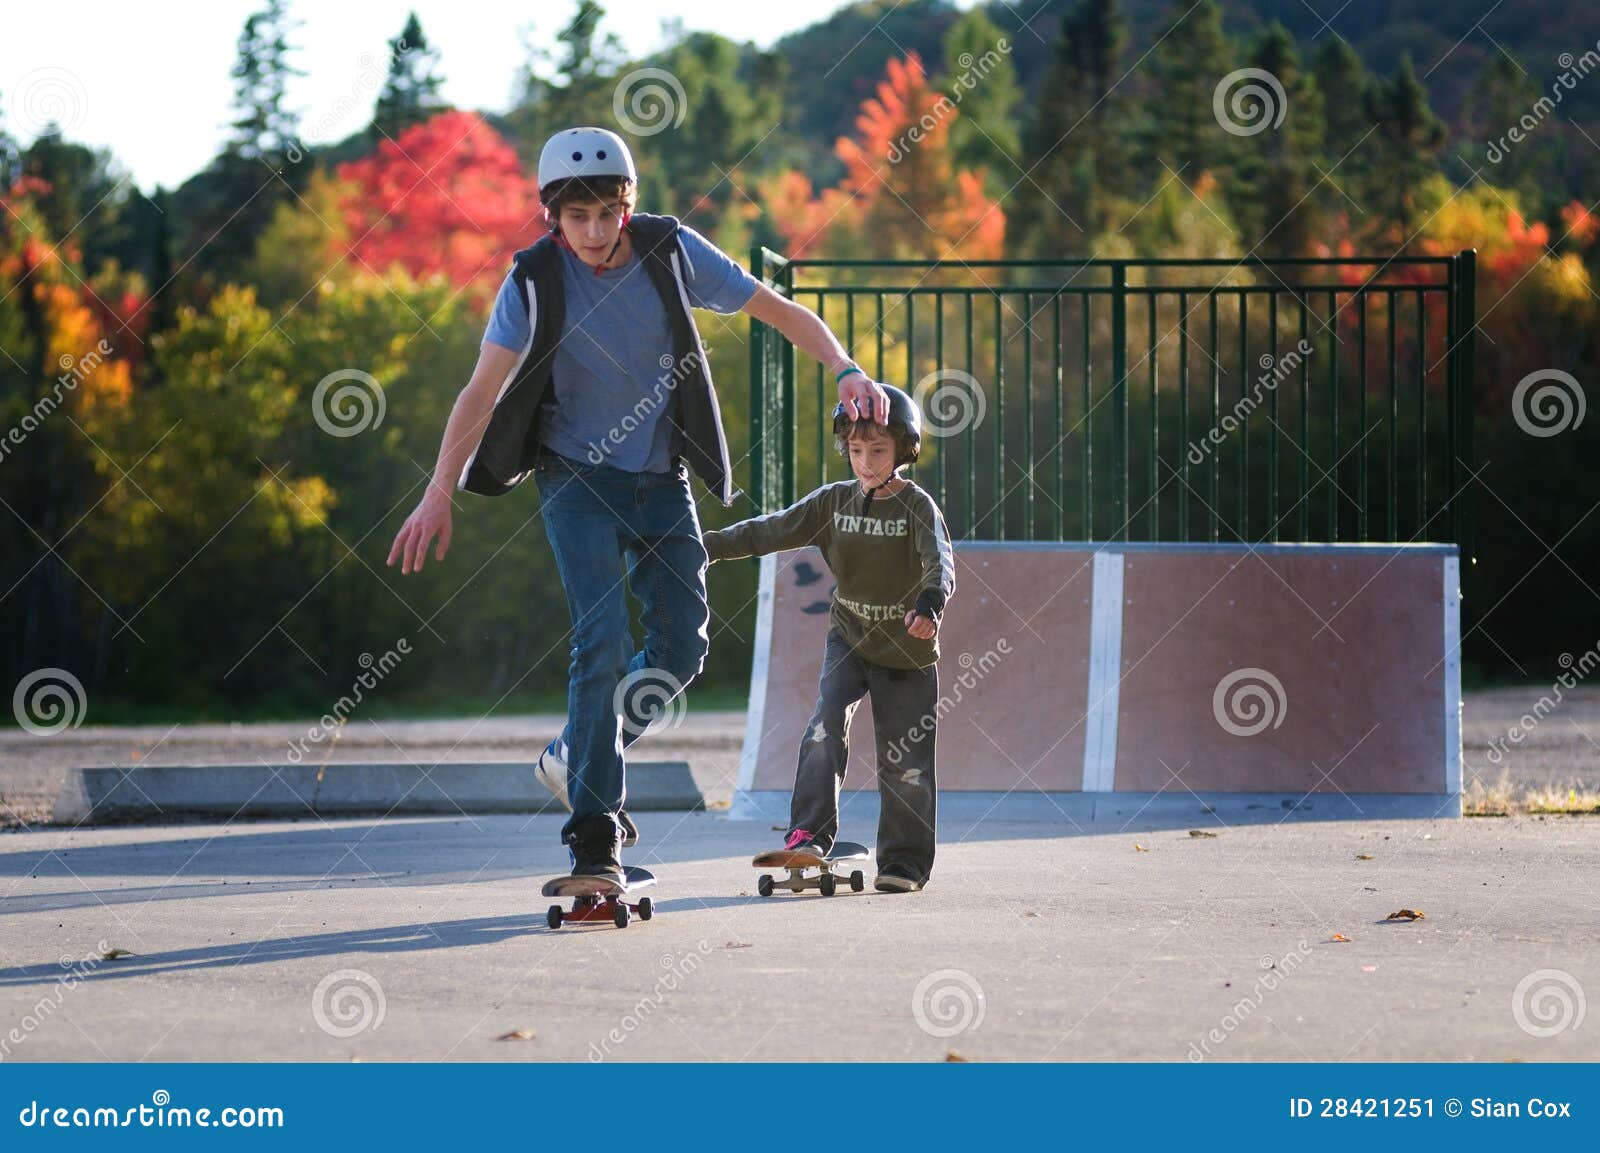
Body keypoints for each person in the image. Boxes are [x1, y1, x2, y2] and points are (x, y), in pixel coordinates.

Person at [386, 126, 889, 881]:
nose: (594, 233)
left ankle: (578, 753)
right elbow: (480, 391)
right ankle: (596, 837)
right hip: (575, 481)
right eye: (577, 217)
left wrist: (845, 367)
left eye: (607, 214)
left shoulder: (671, 251)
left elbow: (776, 308)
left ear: (627, 207)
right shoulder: (532, 281)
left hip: (661, 476)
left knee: (683, 648)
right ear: (551, 215)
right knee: (601, 641)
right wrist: (437, 494)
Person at [702, 385, 954, 891]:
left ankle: (903, 863)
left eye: (878, 450)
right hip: (850, 639)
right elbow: (770, 529)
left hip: (906, 652)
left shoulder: (917, 507)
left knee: (905, 764)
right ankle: (808, 835)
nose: (866, 462)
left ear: (904, 450)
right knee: (824, 727)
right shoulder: (833, 503)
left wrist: (931, 603)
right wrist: (704, 548)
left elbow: (940, 562)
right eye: (856, 451)